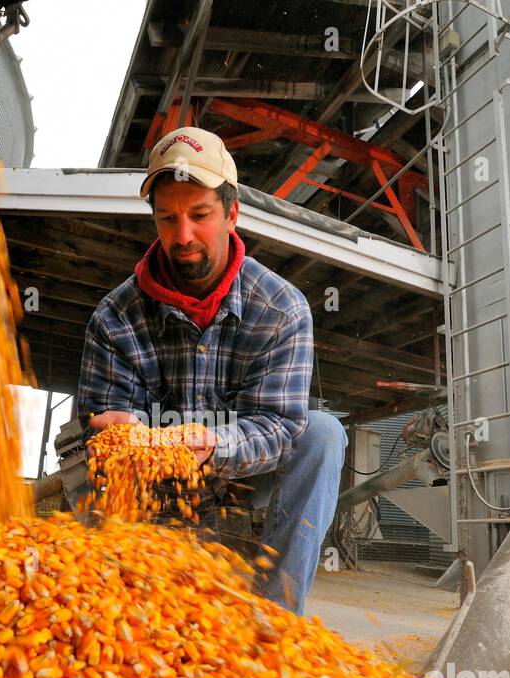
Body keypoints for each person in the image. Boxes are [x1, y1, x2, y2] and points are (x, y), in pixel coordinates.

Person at [75, 126, 347, 615]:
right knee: (132, 610)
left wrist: (212, 446)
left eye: (200, 215)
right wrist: (108, 434)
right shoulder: (115, 318)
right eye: (167, 218)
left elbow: (281, 427)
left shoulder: (282, 309)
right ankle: (121, 597)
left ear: (232, 213)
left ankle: (274, 617)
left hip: (245, 472)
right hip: (154, 482)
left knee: (323, 433)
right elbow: (101, 425)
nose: (183, 236)